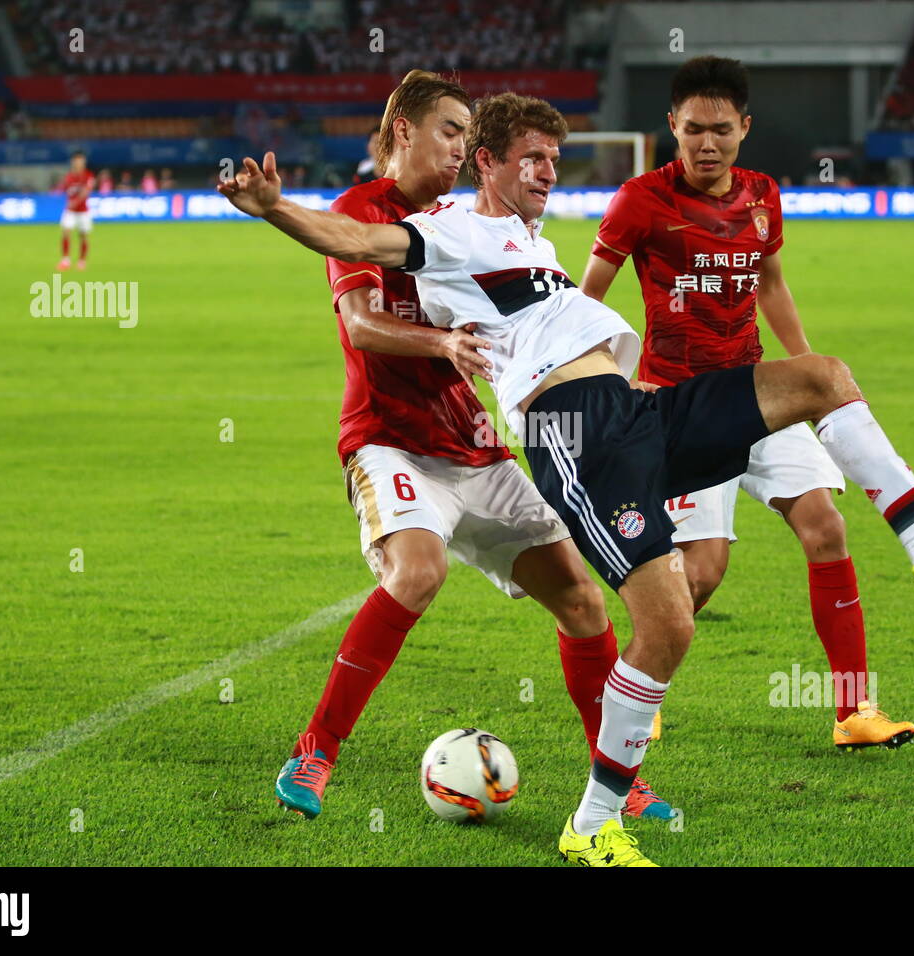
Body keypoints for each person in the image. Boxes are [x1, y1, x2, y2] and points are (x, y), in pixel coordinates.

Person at [218, 94, 914, 867]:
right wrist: (274, 211)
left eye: (554, 159)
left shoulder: (531, 244)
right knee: (670, 627)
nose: (549, 172)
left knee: (823, 376)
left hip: (638, 415)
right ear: (488, 164)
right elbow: (359, 242)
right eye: (533, 159)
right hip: (575, 438)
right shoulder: (452, 229)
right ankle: (593, 825)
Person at [263, 71, 671, 823]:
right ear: (403, 130)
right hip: (390, 439)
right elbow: (359, 324)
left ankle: (620, 779)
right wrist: (440, 340)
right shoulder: (368, 212)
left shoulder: (474, 220)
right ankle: (317, 749)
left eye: (467, 135)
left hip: (478, 446)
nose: (460, 147)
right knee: (417, 571)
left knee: (581, 599)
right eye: (449, 130)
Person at [581, 56, 912, 748]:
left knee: (826, 528)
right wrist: (607, 383)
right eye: (694, 129)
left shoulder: (763, 195)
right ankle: (637, 681)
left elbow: (772, 286)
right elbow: (587, 303)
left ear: (744, 129)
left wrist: (809, 376)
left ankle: (853, 713)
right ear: (671, 125)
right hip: (680, 404)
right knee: (701, 572)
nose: (708, 144)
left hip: (758, 390)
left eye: (722, 131)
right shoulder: (640, 199)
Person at [57, 152, 96, 271]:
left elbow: (86, 191)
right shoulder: (68, 177)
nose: (78, 163)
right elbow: (64, 190)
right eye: (76, 161)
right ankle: (65, 260)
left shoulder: (88, 176)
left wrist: (75, 202)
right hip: (70, 211)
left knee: (83, 236)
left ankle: (82, 261)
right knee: (65, 232)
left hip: (83, 211)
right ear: (73, 162)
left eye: (81, 161)